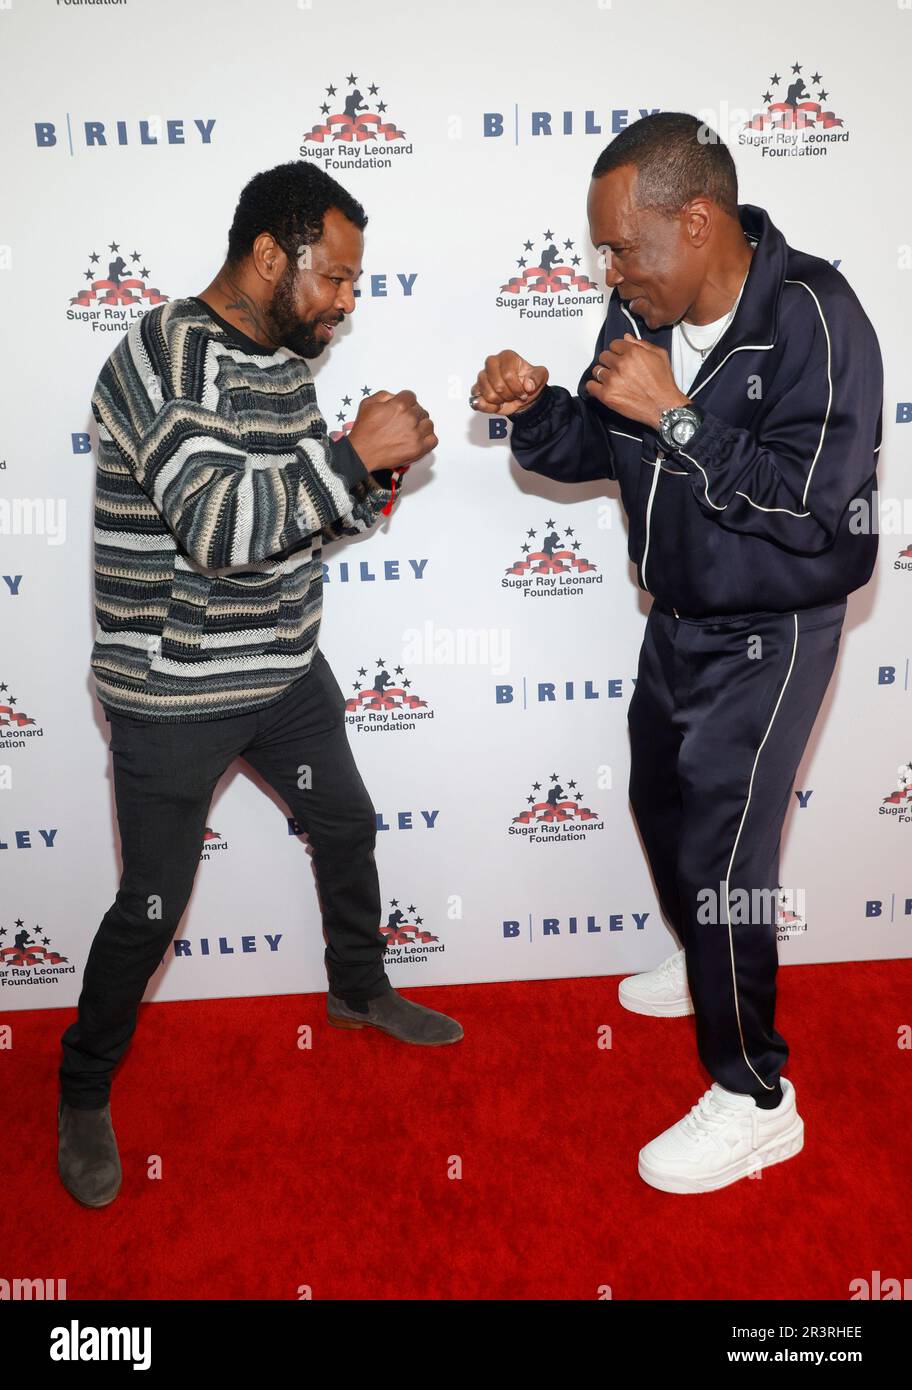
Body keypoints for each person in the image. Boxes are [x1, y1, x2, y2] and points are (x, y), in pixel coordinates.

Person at [470, 112, 882, 1194]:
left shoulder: (816, 318)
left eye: (622, 246)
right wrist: (532, 411)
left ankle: (755, 1095)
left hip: (777, 627)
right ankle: (706, 952)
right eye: (605, 250)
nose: (610, 270)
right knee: (661, 794)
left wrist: (685, 418)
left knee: (732, 857)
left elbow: (819, 510)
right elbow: (604, 443)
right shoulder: (641, 308)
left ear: (697, 221)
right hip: (679, 615)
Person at [59, 160, 462, 1210]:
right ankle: (81, 1086)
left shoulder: (284, 359)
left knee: (350, 825)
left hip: (282, 668)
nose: (346, 301)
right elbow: (220, 526)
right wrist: (345, 459)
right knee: (151, 907)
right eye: (336, 278)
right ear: (271, 255)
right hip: (172, 694)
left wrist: (373, 477)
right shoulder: (159, 358)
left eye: (356, 284)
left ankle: (359, 990)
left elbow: (299, 519)